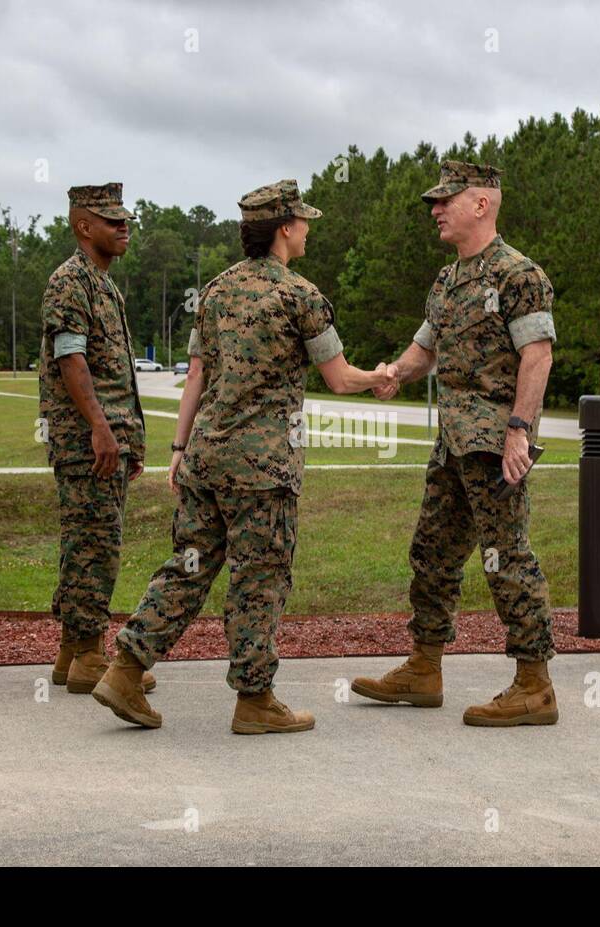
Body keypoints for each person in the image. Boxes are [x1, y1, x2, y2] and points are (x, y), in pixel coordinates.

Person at [91, 179, 389, 734]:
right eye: (302, 221)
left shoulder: (216, 291)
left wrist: (179, 449)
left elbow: (196, 376)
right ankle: (255, 702)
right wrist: (383, 376)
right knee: (260, 578)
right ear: (283, 229)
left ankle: (125, 670)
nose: (307, 230)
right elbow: (341, 378)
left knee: (189, 565)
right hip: (263, 469)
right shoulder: (301, 296)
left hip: (206, 457)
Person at [352, 161, 559, 727]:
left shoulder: (519, 275)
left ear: (482, 204)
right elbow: (427, 350)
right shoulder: (447, 281)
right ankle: (424, 667)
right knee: (431, 553)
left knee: (506, 557)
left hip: (495, 446)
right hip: (452, 444)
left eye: (446, 200)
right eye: (434, 203)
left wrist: (520, 430)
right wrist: (395, 372)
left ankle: (534, 684)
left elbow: (537, 357)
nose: (436, 210)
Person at [39, 183, 154, 697]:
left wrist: (128, 436)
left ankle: (72, 653)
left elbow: (115, 373)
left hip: (107, 439)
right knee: (95, 544)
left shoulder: (103, 285)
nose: (124, 227)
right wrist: (101, 430)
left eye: (126, 219)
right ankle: (89, 654)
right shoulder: (71, 282)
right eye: (112, 221)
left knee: (87, 540)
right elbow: (71, 359)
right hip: (88, 442)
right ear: (84, 226)